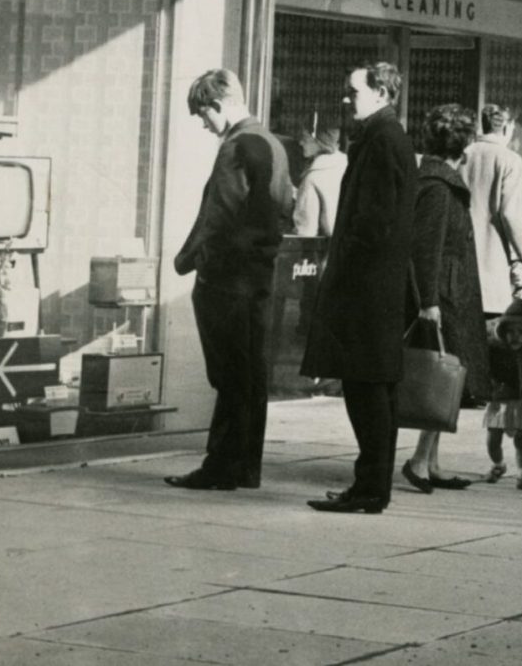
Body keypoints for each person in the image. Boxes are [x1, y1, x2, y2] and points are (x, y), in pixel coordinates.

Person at [165, 69, 294, 492]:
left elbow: (218, 217)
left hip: (225, 278)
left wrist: (190, 261)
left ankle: (220, 466)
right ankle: (245, 466)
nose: (204, 124)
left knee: (227, 375)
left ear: (218, 105)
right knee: (251, 375)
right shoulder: (273, 143)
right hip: (260, 275)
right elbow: (285, 207)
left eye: (203, 114)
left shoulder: (235, 148)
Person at [300, 61, 419, 514]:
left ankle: (370, 486)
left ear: (381, 92)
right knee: (373, 389)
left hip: (367, 288)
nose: (346, 99)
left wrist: (347, 265)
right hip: (375, 286)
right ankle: (371, 485)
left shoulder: (382, 139)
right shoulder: (385, 137)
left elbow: (373, 220)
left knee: (366, 388)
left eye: (354, 91)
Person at [401, 104, 493, 494]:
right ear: (463, 144)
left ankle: (431, 460)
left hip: (448, 291)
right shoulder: (439, 187)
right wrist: (429, 302)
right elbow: (427, 248)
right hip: (446, 294)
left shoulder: (431, 180)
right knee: (442, 376)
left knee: (447, 375)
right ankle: (420, 461)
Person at [462, 103, 522, 315]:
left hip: (461, 260)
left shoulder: (462, 155)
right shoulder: (510, 160)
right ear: (507, 126)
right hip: (492, 264)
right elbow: (511, 214)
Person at [484, 294, 522, 487]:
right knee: (493, 438)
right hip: (500, 399)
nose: (515, 336)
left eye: (521, 332)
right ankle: (498, 463)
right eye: (510, 331)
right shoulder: (497, 351)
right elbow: (488, 371)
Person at [291, 127, 345, 238]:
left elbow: (306, 231)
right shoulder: (346, 164)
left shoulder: (312, 178)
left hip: (330, 245)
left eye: (305, 138)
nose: (300, 143)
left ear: (319, 142)